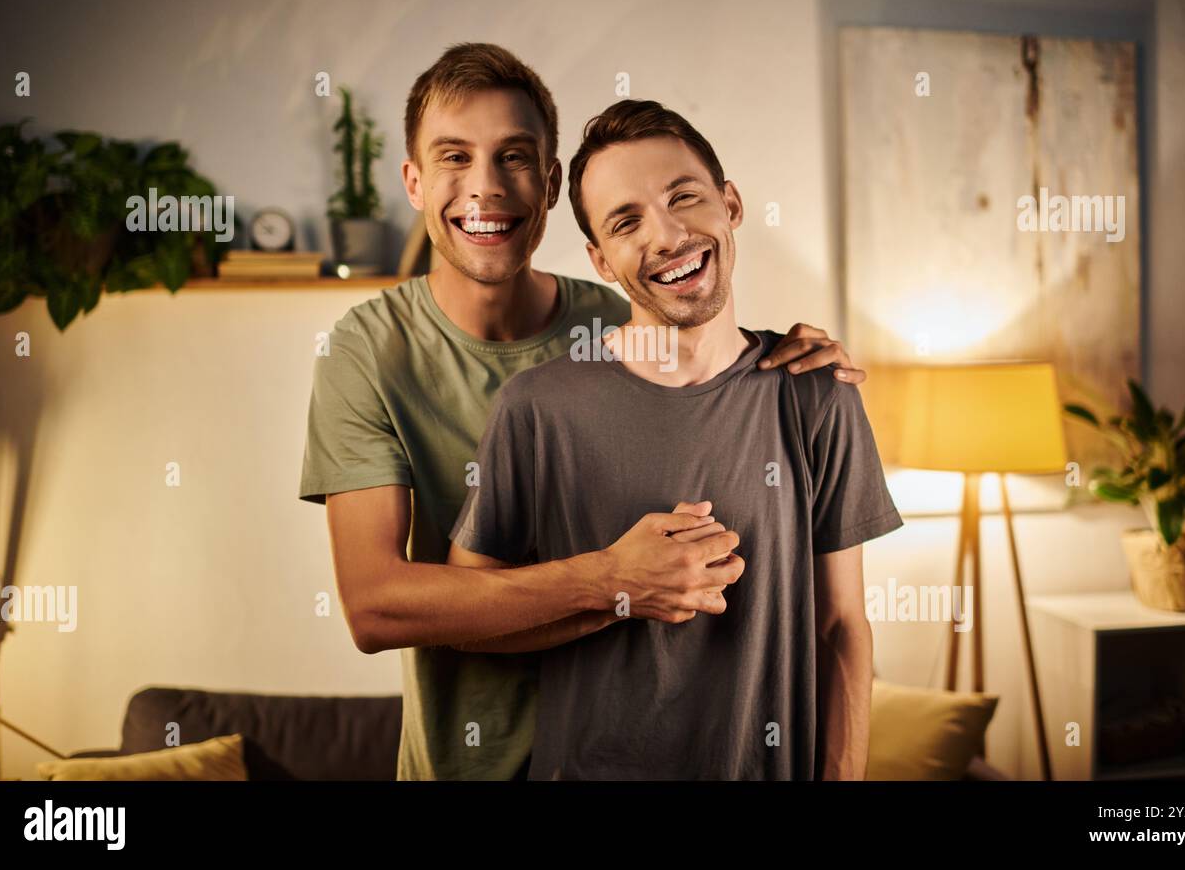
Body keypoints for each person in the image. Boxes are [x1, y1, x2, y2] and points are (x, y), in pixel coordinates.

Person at [300, 44, 868, 780]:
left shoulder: (621, 319)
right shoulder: (368, 350)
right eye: (453, 158)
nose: (486, 188)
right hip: (464, 763)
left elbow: (704, 335)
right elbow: (375, 608)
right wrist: (612, 579)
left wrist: (796, 358)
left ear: (548, 181)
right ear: (412, 180)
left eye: (514, 157)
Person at [448, 98, 903, 779]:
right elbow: (469, 613)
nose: (666, 236)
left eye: (683, 198)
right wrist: (612, 587)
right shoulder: (536, 409)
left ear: (731, 205)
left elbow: (841, 627)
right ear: (602, 261)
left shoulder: (819, 391)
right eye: (626, 222)